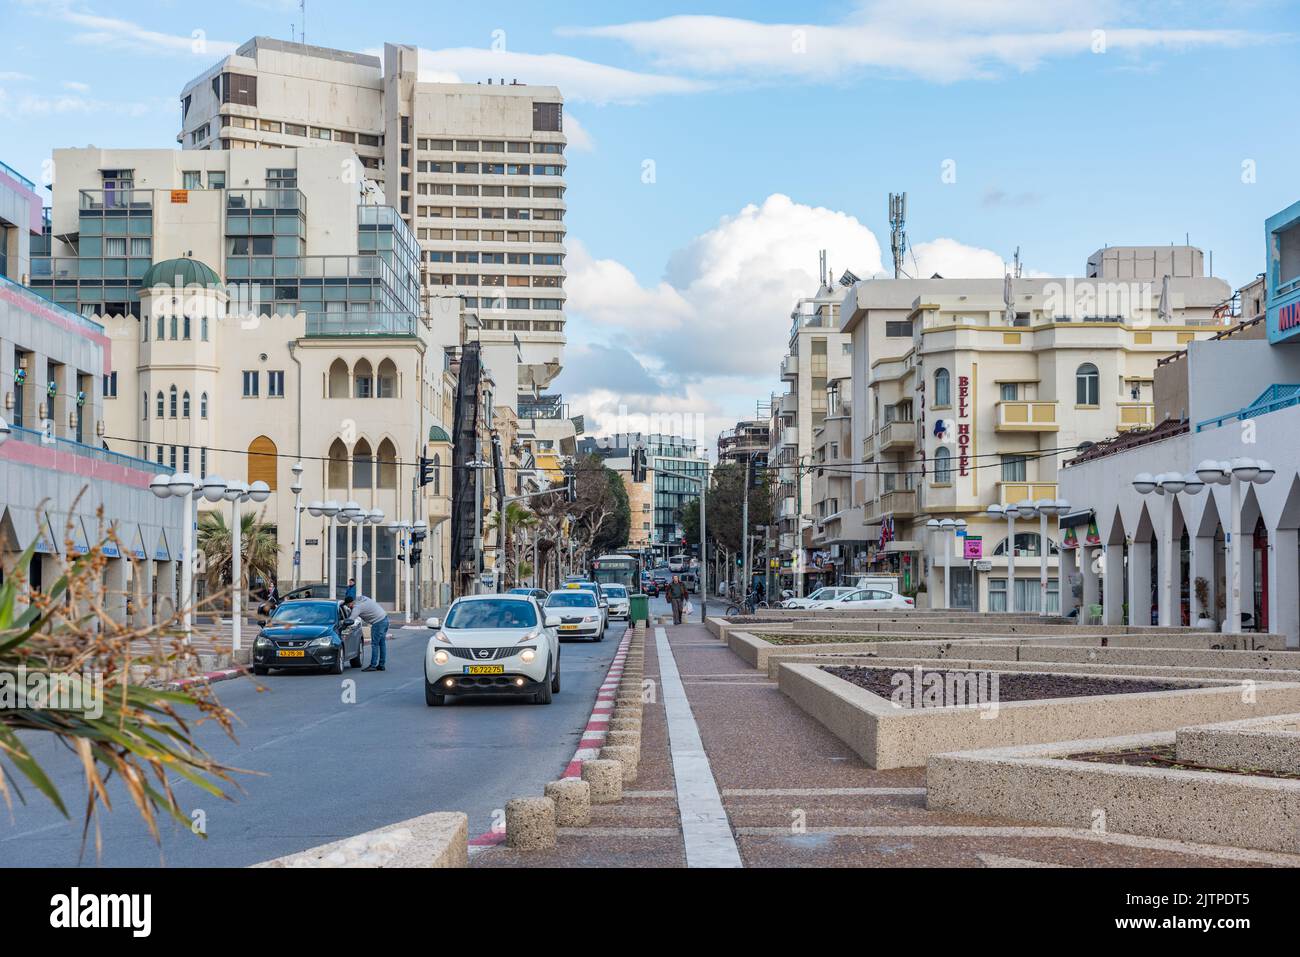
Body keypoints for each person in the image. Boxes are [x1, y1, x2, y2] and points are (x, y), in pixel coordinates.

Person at [345, 593, 390, 671]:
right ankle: (381, 665)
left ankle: (373, 665)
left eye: (348, 605)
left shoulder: (357, 608)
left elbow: (351, 619)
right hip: (385, 619)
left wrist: (343, 623)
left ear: (351, 603)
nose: (349, 607)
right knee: (382, 643)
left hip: (378, 623)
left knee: (375, 644)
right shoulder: (362, 598)